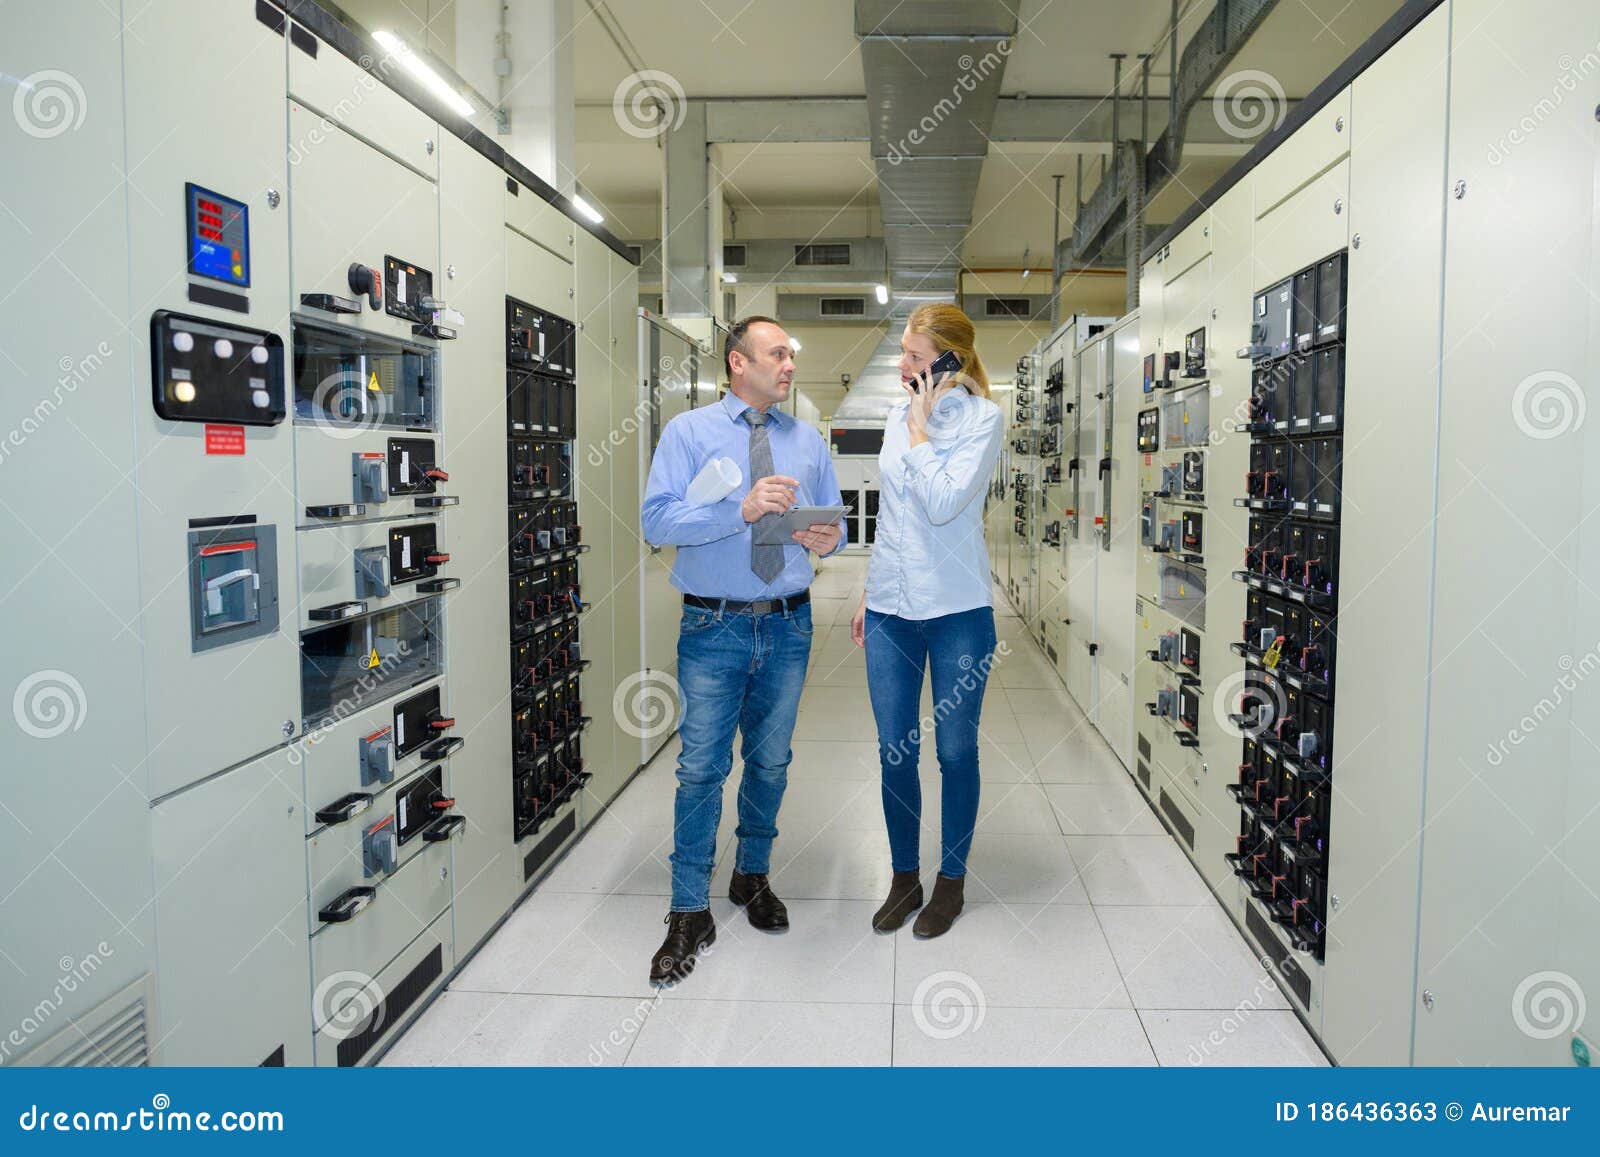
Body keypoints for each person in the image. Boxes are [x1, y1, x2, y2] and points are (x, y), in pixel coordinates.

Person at [640, 315, 847, 984]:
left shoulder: (808, 440)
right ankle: (686, 910)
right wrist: (744, 510)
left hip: (788, 624)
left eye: (791, 354)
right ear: (738, 363)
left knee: (771, 762)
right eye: (777, 353)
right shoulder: (689, 433)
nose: (789, 364)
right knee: (700, 768)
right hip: (713, 627)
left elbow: (834, 523)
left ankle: (751, 875)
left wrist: (824, 540)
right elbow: (656, 520)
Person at [850, 303, 1004, 938]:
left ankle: (951, 883)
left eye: (914, 356)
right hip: (891, 609)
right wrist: (869, 587)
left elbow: (941, 503)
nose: (902, 365)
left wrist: (919, 429)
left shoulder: (983, 420)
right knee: (895, 751)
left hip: (958, 613)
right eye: (904, 353)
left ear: (950, 359)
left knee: (955, 751)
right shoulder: (894, 416)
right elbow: (895, 514)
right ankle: (904, 877)